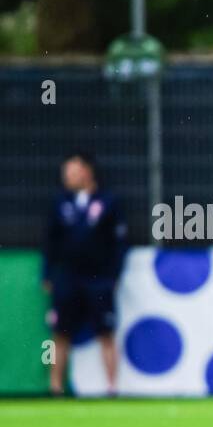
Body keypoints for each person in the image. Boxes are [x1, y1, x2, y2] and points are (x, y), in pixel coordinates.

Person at [41, 151, 128, 396]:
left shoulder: (108, 201)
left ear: (88, 172)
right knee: (60, 334)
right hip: (67, 277)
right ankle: (55, 386)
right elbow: (50, 241)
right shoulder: (60, 202)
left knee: (106, 333)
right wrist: (46, 275)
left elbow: (119, 242)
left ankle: (112, 387)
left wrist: (115, 275)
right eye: (66, 173)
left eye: (73, 172)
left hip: (99, 279)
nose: (68, 177)